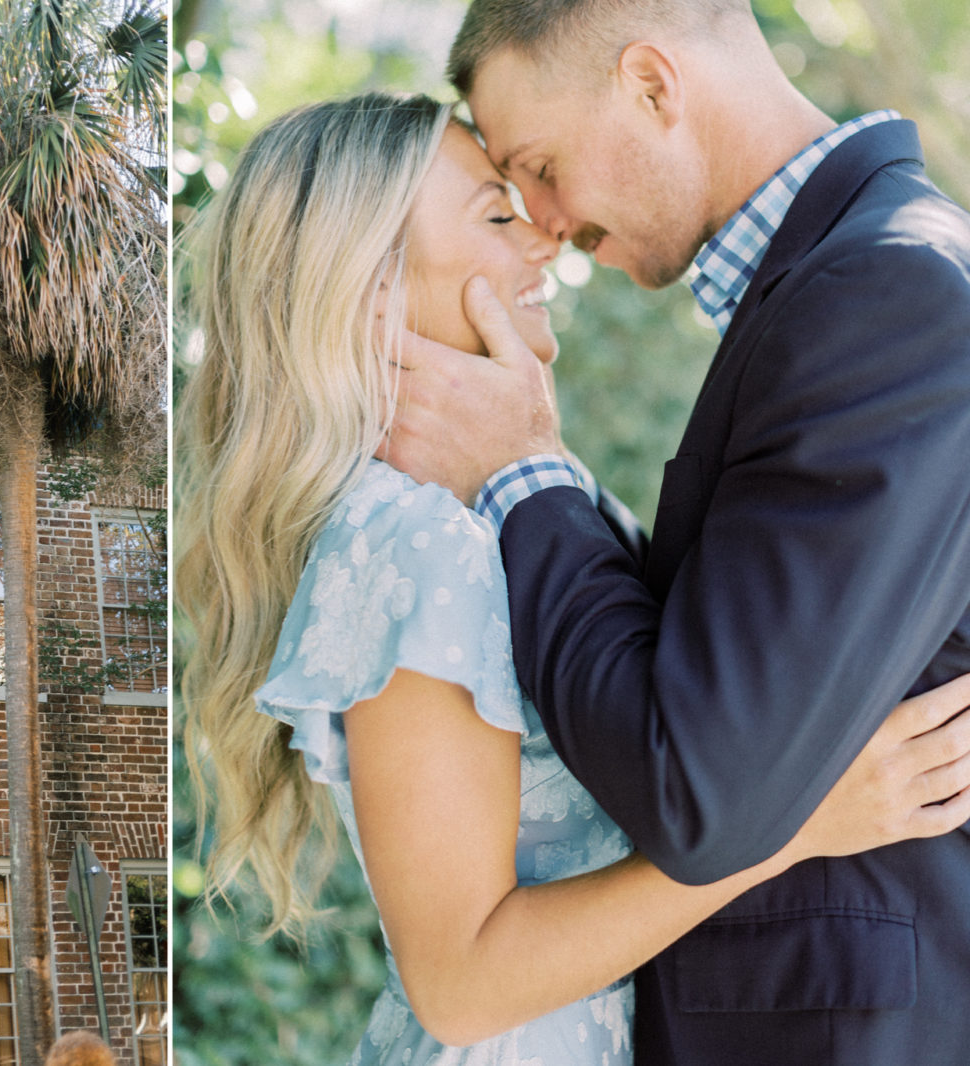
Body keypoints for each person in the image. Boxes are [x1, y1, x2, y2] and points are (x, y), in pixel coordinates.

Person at [176, 92, 970, 1066]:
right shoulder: (412, 541)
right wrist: (792, 826)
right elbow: (460, 982)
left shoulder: (486, 508)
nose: (543, 244)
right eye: (496, 216)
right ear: (369, 285)